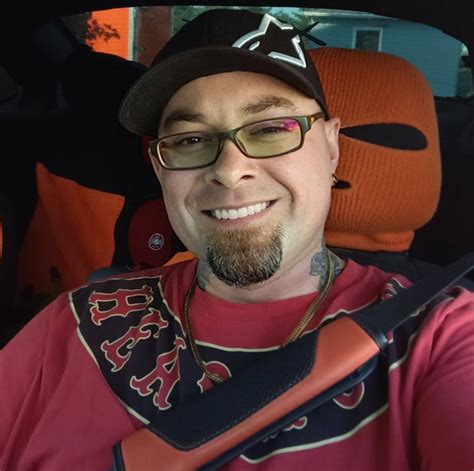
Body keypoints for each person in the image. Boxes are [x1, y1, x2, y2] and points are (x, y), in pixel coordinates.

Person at [1, 9, 473, 471]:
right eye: (190, 140)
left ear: (331, 148)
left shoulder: (438, 333)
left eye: (270, 129)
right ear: (160, 168)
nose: (228, 170)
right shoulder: (71, 324)